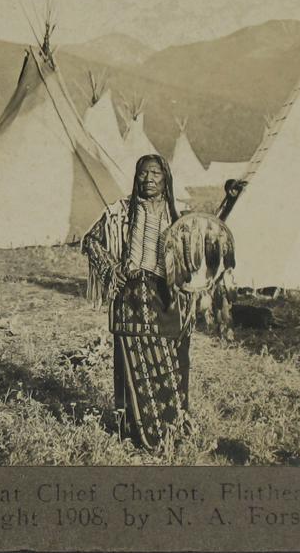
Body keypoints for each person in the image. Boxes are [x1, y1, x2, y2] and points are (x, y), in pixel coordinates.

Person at [81, 154, 192, 451]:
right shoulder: (119, 212)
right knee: (128, 364)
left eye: (155, 173)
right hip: (130, 297)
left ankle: (174, 427)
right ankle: (130, 429)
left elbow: (198, 257)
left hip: (166, 298)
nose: (149, 179)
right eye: (143, 173)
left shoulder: (179, 218)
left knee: (173, 359)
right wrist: (111, 269)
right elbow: (91, 240)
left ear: (165, 178)